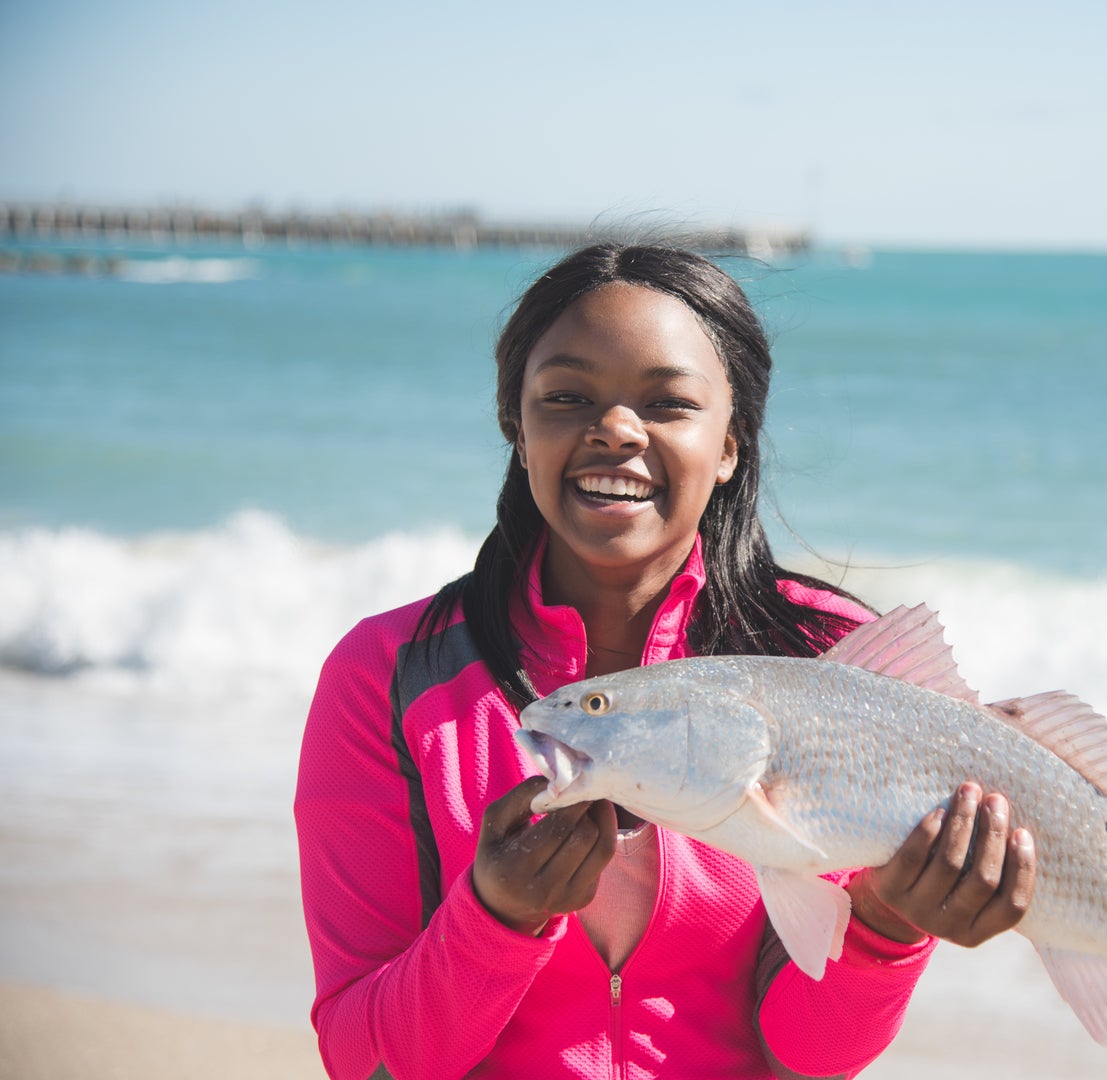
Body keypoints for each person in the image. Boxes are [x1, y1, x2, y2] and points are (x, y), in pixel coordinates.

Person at [294, 243, 1037, 1080]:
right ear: (517, 423)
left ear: (731, 442)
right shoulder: (387, 675)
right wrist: (493, 919)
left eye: (668, 402)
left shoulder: (833, 662)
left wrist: (887, 926)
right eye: (568, 397)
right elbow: (361, 1058)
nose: (614, 430)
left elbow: (808, 1058)